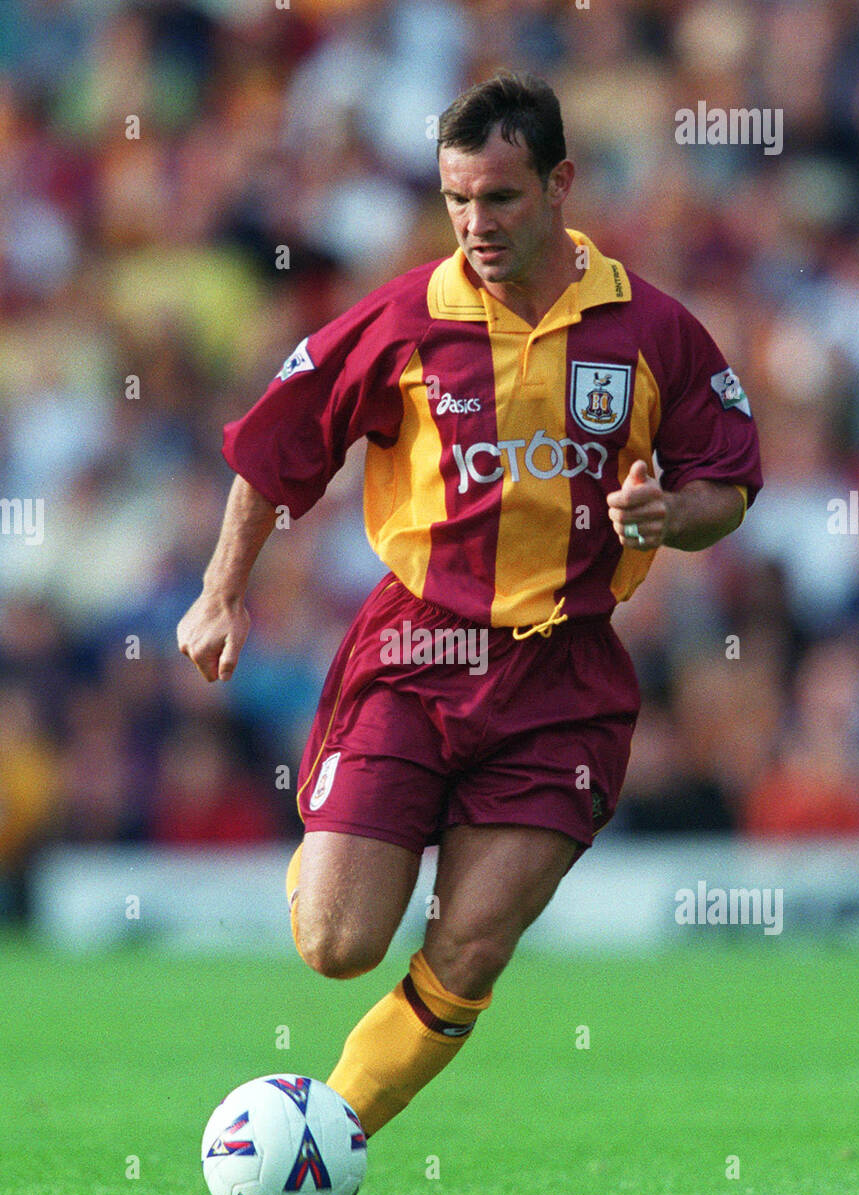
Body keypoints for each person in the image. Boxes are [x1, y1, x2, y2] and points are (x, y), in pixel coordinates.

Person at [178, 72, 762, 1139]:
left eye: (497, 197)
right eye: (455, 200)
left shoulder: (650, 328)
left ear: (557, 185)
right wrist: (220, 593)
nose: (474, 224)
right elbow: (272, 448)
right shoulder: (406, 317)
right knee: (337, 943)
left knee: (471, 948)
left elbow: (725, 487)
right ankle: (355, 829)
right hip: (416, 650)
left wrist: (667, 513)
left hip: (564, 677)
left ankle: (321, 1139)